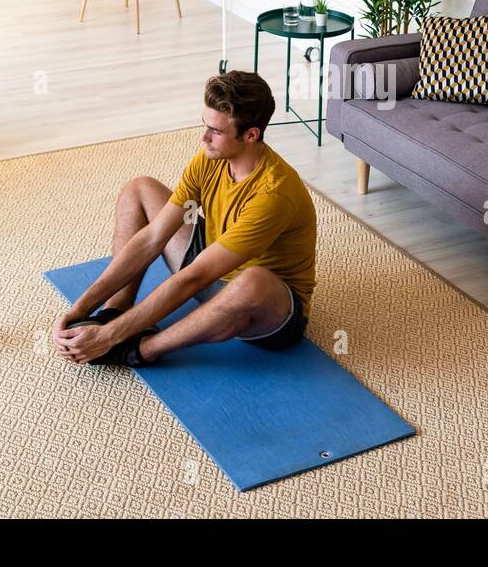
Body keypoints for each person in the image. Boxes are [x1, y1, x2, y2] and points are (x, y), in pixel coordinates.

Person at [53, 71, 317, 367]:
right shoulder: (208, 160)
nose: (203, 137)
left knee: (252, 281)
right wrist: (79, 309)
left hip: (263, 310)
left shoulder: (274, 193)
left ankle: (141, 348)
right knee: (139, 189)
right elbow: (153, 238)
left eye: (215, 131)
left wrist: (110, 337)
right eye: (205, 125)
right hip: (214, 270)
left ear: (251, 134)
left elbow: (195, 277)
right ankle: (115, 311)